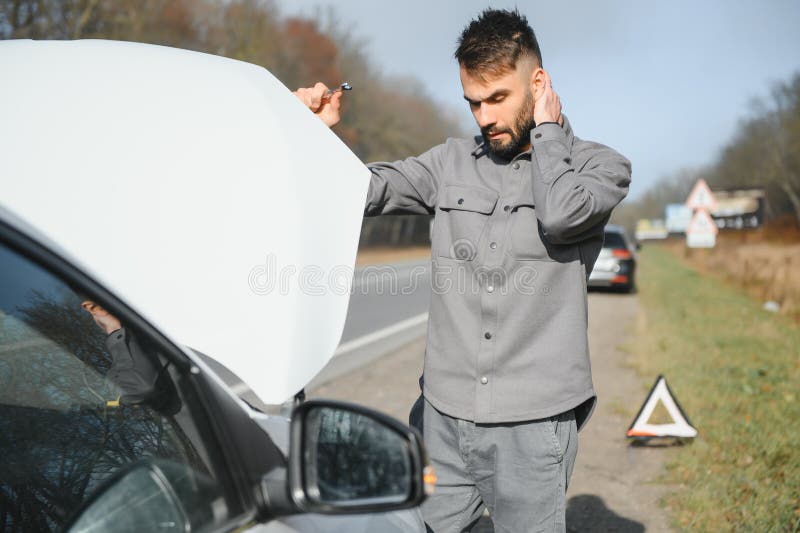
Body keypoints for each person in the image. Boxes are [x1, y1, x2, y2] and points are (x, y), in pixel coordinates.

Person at [295, 8, 630, 532]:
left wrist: (545, 130)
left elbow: (563, 215)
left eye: (498, 98)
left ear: (538, 83)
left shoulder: (600, 166)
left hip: (533, 426)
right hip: (442, 422)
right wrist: (309, 134)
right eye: (473, 102)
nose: (484, 117)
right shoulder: (448, 162)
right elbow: (360, 190)